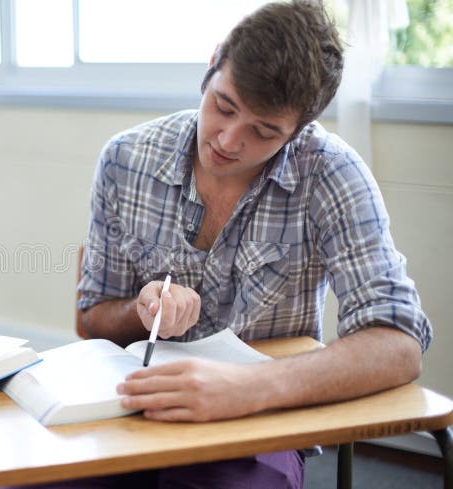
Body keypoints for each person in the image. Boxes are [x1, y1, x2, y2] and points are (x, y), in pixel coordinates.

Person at [57, 1, 432, 488]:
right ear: (212, 63)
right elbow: (91, 319)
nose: (228, 141)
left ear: (298, 129)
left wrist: (249, 388)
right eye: (224, 106)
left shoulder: (332, 174)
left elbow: (399, 344)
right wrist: (141, 311)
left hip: (260, 426)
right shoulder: (125, 159)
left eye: (263, 131)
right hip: (129, 412)